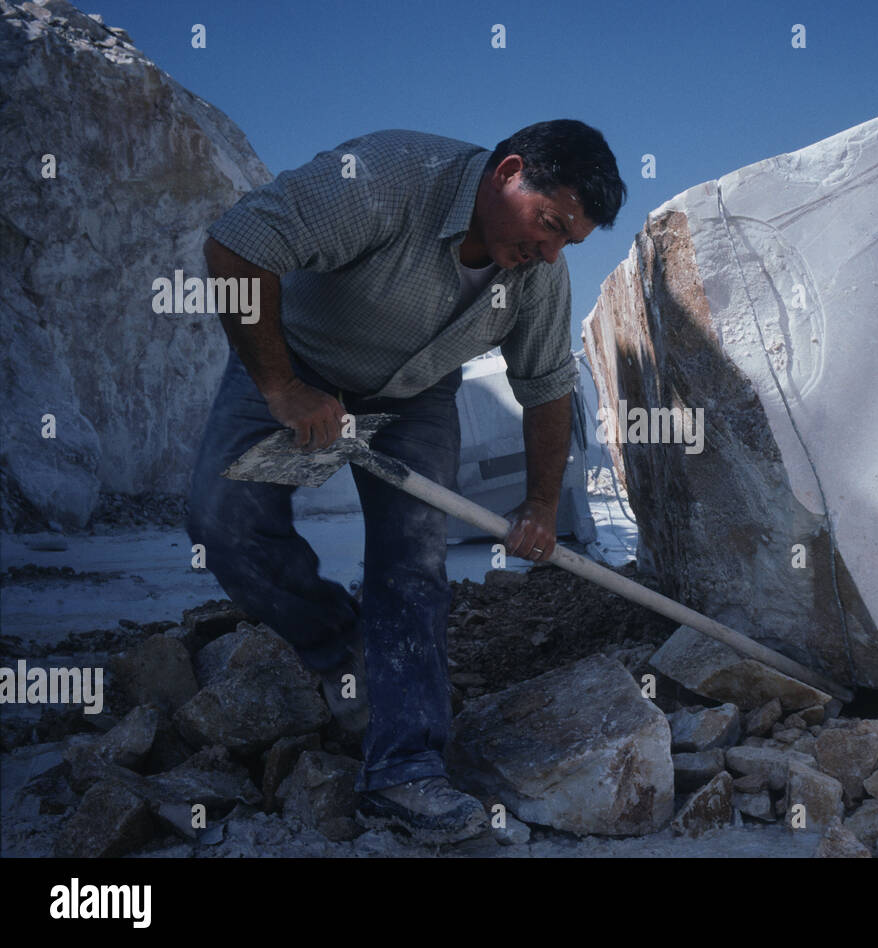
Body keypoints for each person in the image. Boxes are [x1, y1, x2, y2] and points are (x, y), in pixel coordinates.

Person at [187, 120, 626, 843]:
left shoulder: (536, 275)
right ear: (507, 171)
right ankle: (339, 649)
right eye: (547, 224)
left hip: (413, 397)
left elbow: (547, 388)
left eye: (566, 244)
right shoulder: (391, 177)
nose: (548, 253)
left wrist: (542, 505)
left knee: (413, 565)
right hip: (298, 363)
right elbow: (238, 243)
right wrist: (280, 387)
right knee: (224, 525)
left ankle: (406, 766)